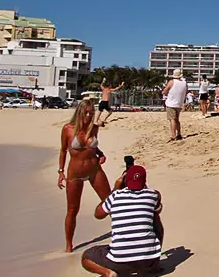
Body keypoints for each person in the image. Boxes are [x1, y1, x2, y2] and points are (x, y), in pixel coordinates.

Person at [81, 164, 164, 277]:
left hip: (120, 261)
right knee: (155, 217)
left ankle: (108, 273)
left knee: (86, 257)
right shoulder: (153, 195)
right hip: (149, 260)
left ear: (125, 180)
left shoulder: (115, 196)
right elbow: (158, 210)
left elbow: (98, 214)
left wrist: (115, 188)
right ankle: (154, 266)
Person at [58, 100, 112, 253]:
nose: (88, 115)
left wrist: (100, 154)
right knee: (72, 210)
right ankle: (69, 245)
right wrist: (60, 172)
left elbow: (94, 147)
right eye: (86, 112)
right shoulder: (68, 129)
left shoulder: (94, 128)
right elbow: (63, 151)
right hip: (74, 174)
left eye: (91, 113)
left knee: (110, 202)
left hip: (94, 170)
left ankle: (121, 234)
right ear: (79, 112)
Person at [162, 69, 188, 142]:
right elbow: (186, 91)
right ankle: (179, 134)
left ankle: (173, 136)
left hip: (171, 103)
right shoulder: (184, 83)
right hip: (179, 103)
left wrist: (165, 92)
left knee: (172, 119)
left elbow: (165, 91)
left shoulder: (172, 82)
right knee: (177, 120)